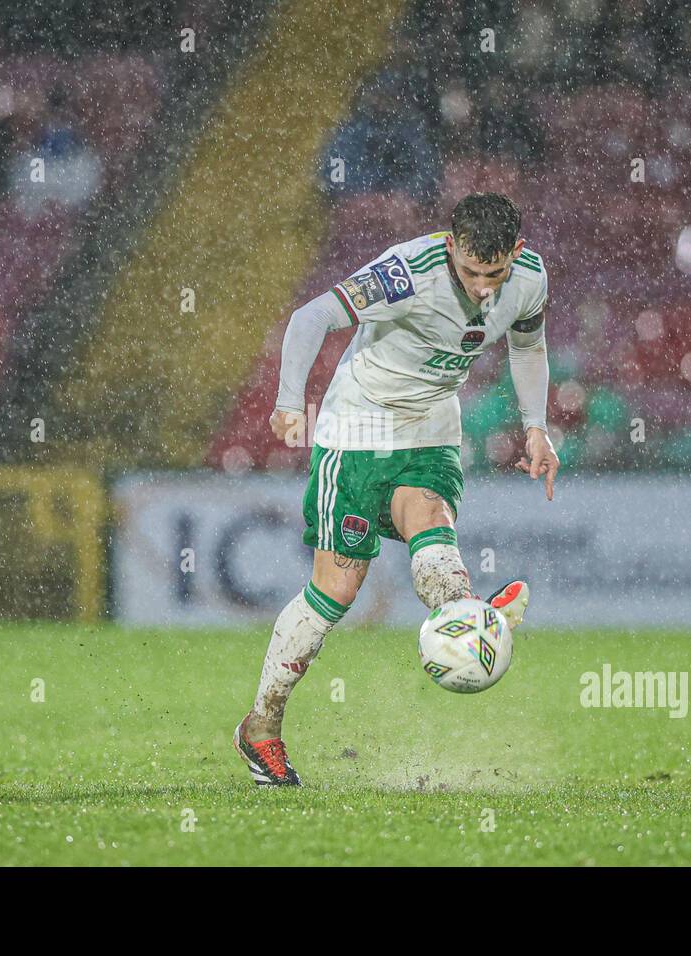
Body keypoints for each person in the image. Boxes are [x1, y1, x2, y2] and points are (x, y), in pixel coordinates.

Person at [234, 192, 560, 786]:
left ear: (516, 252)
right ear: (449, 245)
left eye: (496, 273)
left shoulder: (530, 279)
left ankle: (464, 616)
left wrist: (536, 428)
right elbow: (312, 317)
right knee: (338, 589)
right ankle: (261, 727)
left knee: (431, 522)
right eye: (471, 272)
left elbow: (529, 345)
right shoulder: (407, 271)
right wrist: (288, 401)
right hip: (358, 426)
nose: (485, 289)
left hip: (431, 423)